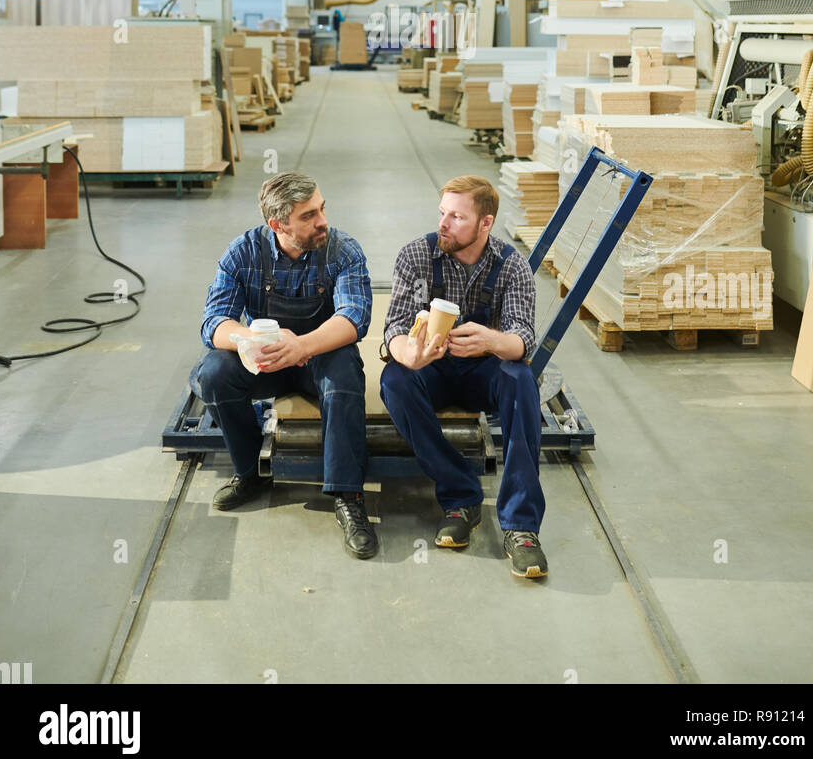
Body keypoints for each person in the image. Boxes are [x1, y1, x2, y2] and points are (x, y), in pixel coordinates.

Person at [190, 172, 377, 559]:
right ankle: (249, 474)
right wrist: (245, 340)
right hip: (268, 358)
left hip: (320, 354)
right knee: (213, 374)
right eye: (308, 215)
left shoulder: (342, 250)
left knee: (344, 376)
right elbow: (213, 322)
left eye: (322, 208)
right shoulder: (242, 252)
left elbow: (355, 316)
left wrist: (302, 346)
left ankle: (347, 495)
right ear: (278, 225)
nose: (322, 220)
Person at [380, 176, 547, 579]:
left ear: (485, 224)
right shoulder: (416, 256)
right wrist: (411, 354)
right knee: (394, 380)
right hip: (432, 369)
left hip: (482, 372)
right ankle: (461, 494)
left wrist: (493, 339)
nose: (444, 224)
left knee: (520, 379)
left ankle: (521, 526)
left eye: (457, 216)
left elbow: (523, 340)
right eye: (442, 214)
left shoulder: (512, 265)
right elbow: (393, 329)